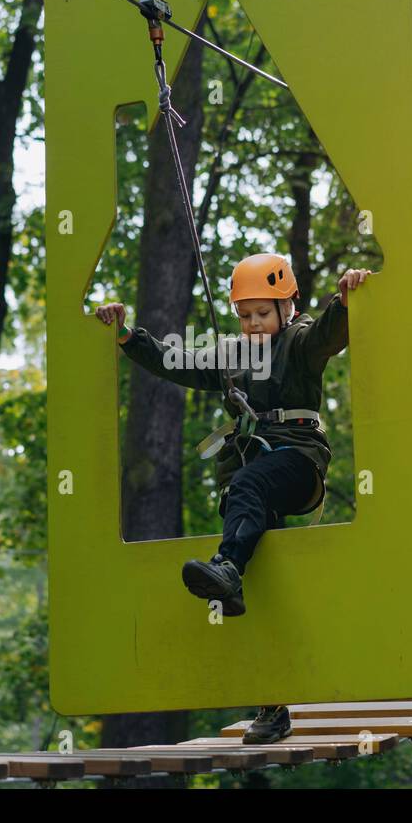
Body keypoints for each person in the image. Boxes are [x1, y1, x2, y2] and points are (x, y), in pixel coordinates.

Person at [95, 252, 369, 744]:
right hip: (254, 471)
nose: (252, 324)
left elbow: (331, 335)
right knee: (260, 571)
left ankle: (227, 566)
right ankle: (271, 701)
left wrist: (345, 300)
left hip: (298, 461)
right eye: (244, 316)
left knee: (248, 486)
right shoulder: (234, 355)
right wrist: (126, 337)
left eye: (262, 313)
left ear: (287, 307)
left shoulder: (300, 341)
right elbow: (177, 362)